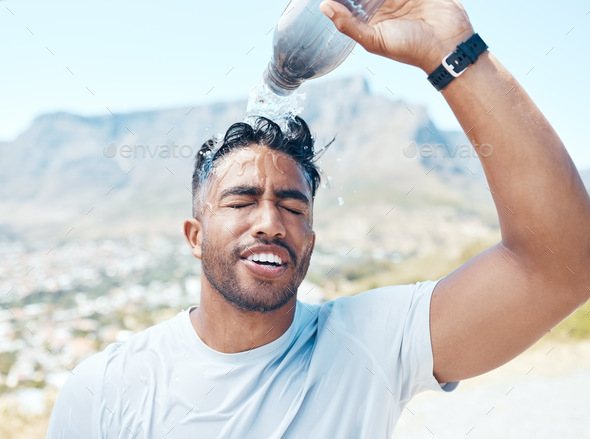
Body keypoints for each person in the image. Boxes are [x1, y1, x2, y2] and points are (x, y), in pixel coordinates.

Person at [47, 0, 590, 437]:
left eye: (292, 205)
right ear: (194, 235)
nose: (269, 221)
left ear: (310, 236)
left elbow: (560, 263)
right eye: (239, 201)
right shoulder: (106, 390)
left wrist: (449, 48)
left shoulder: (368, 345)